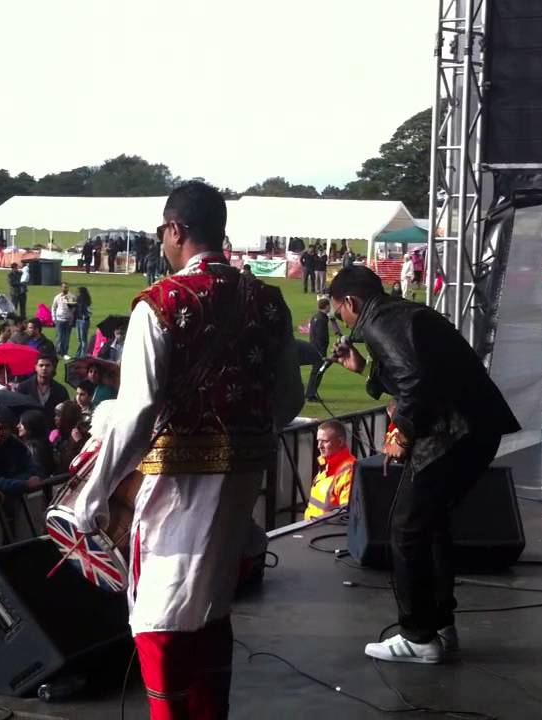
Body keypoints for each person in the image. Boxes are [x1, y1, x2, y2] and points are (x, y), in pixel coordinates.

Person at [74, 182, 302, 718]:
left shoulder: (160, 302)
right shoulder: (269, 302)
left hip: (176, 485)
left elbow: (136, 415)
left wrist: (92, 493)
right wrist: (238, 430)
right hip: (243, 474)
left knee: (161, 617)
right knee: (210, 604)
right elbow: (288, 397)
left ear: (174, 230)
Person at [326, 264, 520, 664]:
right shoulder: (399, 314)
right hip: (474, 430)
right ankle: (438, 625)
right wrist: (364, 369)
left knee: (407, 529)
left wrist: (401, 434)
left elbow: (414, 382)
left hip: (454, 435)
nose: (340, 319)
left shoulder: (379, 322)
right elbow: (415, 371)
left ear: (351, 301)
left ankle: (418, 636)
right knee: (428, 526)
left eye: (338, 311)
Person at [304, 421, 357, 520]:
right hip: (314, 528)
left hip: (325, 530)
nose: (319, 446)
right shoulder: (327, 464)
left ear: (340, 442)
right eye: (318, 441)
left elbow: (345, 514)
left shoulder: (348, 471)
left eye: (324, 441)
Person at [52, 283, 75, 359]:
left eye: (67, 287)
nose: (65, 289)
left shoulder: (72, 296)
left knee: (66, 337)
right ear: (61, 288)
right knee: (59, 337)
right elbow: (54, 308)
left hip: (68, 319)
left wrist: (72, 319)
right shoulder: (57, 297)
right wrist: (53, 318)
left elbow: (74, 309)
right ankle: (57, 352)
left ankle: (65, 353)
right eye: (64, 287)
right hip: (59, 319)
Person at [73, 287, 93, 358]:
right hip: (78, 320)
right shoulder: (77, 300)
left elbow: (90, 311)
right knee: (79, 339)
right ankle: (78, 354)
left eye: (78, 292)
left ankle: (83, 355)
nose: (77, 293)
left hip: (84, 321)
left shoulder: (87, 301)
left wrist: (85, 315)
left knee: (83, 339)